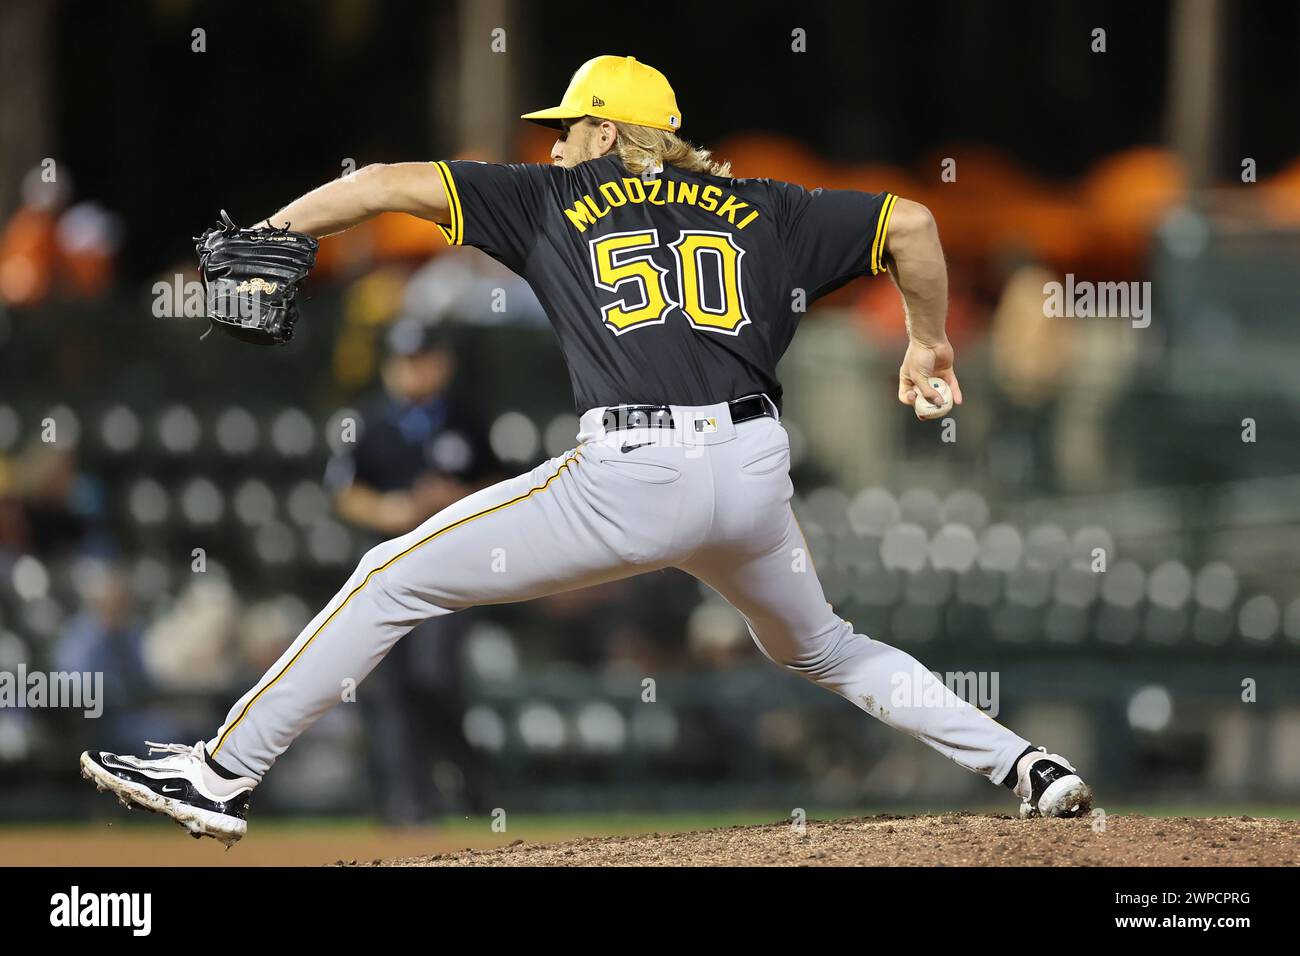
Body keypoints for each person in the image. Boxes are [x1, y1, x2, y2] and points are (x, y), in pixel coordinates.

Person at [81, 55, 1092, 845]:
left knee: (391, 572)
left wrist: (270, 227)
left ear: (610, 129)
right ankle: (1028, 766)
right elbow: (910, 220)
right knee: (822, 645)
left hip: (633, 469)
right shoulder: (766, 205)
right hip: (750, 473)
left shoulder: (550, 199)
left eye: (569, 127)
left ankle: (215, 773)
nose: (557, 144)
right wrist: (929, 340)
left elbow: (385, 181)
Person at [324, 317, 497, 822]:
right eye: (403, 362)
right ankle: (409, 805)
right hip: (389, 567)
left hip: (455, 570)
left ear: (442, 363)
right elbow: (343, 490)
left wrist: (456, 499)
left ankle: (469, 780)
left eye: (421, 361)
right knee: (394, 686)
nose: (412, 372)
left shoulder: (466, 415)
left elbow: (503, 481)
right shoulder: (369, 419)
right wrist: (391, 510)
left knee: (435, 675)